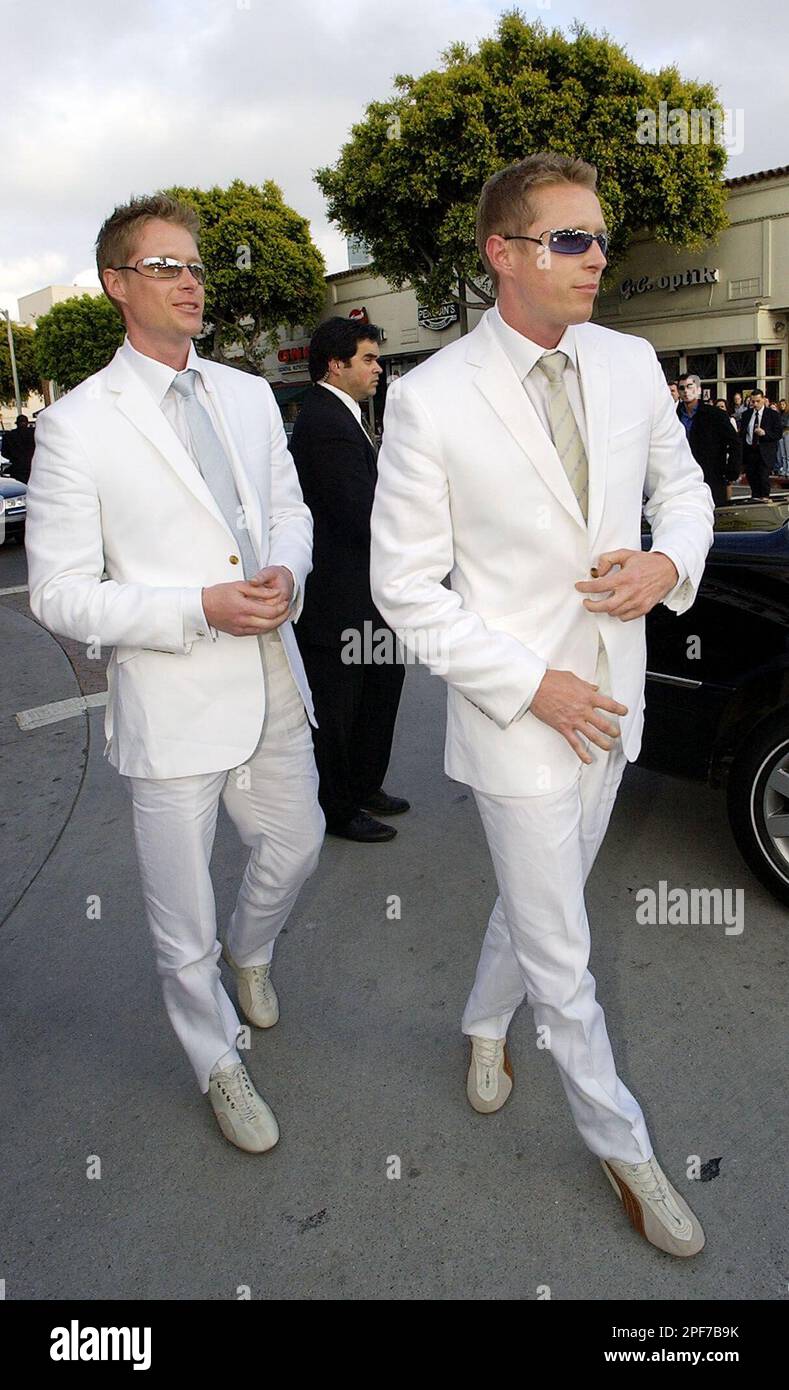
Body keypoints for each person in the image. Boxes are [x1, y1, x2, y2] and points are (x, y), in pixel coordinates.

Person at [370, 152, 714, 1258]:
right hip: (519, 717)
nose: (597, 257)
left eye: (600, 237)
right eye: (570, 239)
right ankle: (627, 1147)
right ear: (503, 253)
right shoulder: (428, 399)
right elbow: (403, 589)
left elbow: (687, 490)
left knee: (545, 894)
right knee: (563, 953)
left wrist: (669, 566)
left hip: (616, 701)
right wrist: (532, 684)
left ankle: (480, 1021)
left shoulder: (630, 360)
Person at [25, 194, 324, 1155]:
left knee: (299, 842)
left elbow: (289, 508)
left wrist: (286, 567)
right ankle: (215, 1060)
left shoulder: (243, 394)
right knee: (178, 909)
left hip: (273, 666)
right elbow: (60, 597)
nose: (192, 280)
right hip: (172, 694)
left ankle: (253, 952)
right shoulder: (77, 426)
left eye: (195, 265)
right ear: (118, 284)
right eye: (167, 267)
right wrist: (195, 607)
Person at [290, 317, 408, 843]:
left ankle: (364, 785)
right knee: (340, 708)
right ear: (335, 366)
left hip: (369, 595)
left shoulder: (346, 415)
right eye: (368, 359)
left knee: (380, 690)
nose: (378, 368)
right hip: (340, 600)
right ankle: (338, 808)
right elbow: (359, 511)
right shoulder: (323, 421)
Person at [676, 374, 741, 507]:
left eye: (690, 387)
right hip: (682, 475)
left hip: (711, 474)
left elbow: (735, 442)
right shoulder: (673, 416)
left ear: (699, 390)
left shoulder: (715, 415)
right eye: (682, 388)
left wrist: (731, 470)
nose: (686, 391)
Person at [740, 388, 782, 499]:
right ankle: (755, 498)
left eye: (758, 401)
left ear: (763, 399)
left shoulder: (772, 415)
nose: (755, 404)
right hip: (750, 451)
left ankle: (764, 498)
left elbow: (778, 433)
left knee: (763, 477)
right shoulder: (746, 415)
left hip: (765, 451)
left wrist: (765, 433)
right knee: (752, 477)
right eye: (753, 401)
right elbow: (742, 434)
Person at [2, 413, 35, 484]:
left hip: (17, 468)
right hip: (33, 467)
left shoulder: (9, 436)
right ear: (27, 423)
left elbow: (4, 453)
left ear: (16, 423)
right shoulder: (34, 434)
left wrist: (14, 458)